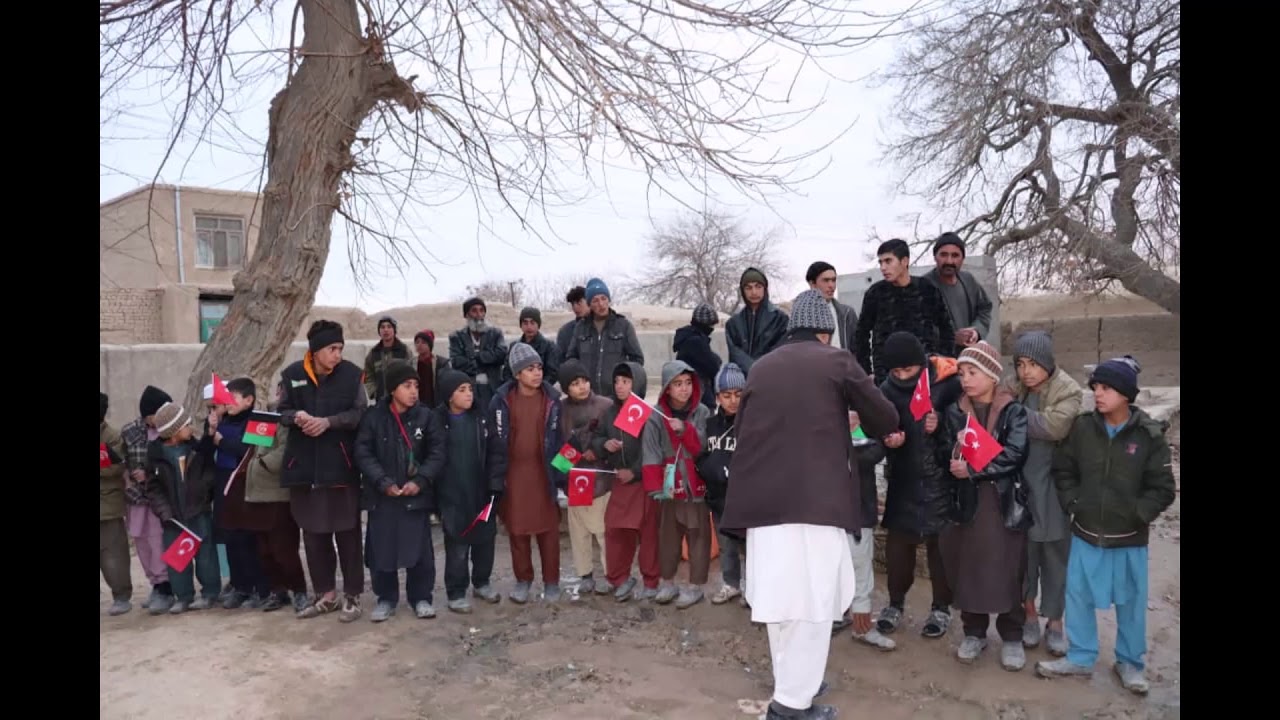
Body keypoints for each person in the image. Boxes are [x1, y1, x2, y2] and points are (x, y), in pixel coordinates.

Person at [720, 289, 900, 720]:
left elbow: (742, 431)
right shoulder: (836, 361)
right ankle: (791, 705)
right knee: (815, 603)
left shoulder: (760, 368)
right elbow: (886, 419)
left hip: (763, 507)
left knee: (781, 603)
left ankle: (793, 683)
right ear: (827, 330)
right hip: (817, 504)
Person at [1036, 356, 1176, 696]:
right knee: (1079, 596)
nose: (1098, 394)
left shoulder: (1148, 435)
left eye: (1107, 388)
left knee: (1130, 602)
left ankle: (1130, 663)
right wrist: (1074, 504)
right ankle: (1081, 656)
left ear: (1127, 394)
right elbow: (1063, 469)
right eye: (1096, 387)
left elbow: (1163, 488)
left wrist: (1137, 514)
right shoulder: (1083, 428)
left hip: (1129, 538)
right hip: (1084, 533)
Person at [935, 341, 1031, 670]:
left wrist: (975, 468)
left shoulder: (1013, 411)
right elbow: (944, 451)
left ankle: (1012, 635)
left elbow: (1015, 454)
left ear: (992, 376)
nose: (966, 379)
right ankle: (974, 632)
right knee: (969, 567)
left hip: (1003, 501)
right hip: (968, 503)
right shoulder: (955, 411)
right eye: (962, 372)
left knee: (1008, 569)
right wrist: (953, 457)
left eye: (973, 372)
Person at [279, 319, 369, 622]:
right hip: (304, 469)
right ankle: (326, 595)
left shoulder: (352, 376)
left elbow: (359, 414)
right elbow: (281, 412)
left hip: (341, 468)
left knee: (348, 535)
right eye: (332, 348)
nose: (337, 355)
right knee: (314, 535)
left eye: (340, 348)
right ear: (315, 350)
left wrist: (328, 422)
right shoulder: (292, 376)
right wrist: (297, 417)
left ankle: (352, 596)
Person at [874, 333, 962, 640]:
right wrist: (891, 439)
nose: (902, 377)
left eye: (908, 371)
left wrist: (940, 426)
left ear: (921, 364)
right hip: (903, 478)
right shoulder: (886, 390)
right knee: (899, 549)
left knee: (941, 551)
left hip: (940, 480)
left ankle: (941, 607)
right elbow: (879, 427)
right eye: (896, 372)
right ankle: (895, 603)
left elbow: (963, 424)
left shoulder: (946, 382)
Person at [1002, 331, 1083, 655]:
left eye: (1033, 364)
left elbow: (1054, 427)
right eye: (1021, 364)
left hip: (1053, 488)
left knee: (1055, 561)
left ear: (1047, 363)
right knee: (1025, 560)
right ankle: (1030, 616)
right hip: (1022, 489)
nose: (1026, 371)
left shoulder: (1068, 389)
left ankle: (1055, 623)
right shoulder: (1015, 386)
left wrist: (1014, 416)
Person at [355, 360, 448, 622]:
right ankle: (386, 598)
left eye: (416, 386)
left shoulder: (426, 417)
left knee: (420, 552)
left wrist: (420, 480)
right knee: (382, 550)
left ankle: (421, 598)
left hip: (414, 497)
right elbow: (363, 453)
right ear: (392, 389)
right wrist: (382, 482)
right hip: (382, 496)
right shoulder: (373, 418)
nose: (414, 391)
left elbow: (437, 453)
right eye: (407, 386)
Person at [490, 343, 566, 603]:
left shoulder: (553, 400)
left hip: (544, 473)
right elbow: (493, 442)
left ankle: (552, 581)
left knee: (549, 531)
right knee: (518, 530)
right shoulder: (501, 401)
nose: (537, 373)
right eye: (530, 369)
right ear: (517, 374)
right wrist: (495, 477)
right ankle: (523, 580)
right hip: (514, 475)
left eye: (539, 367)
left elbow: (565, 442)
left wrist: (562, 476)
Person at [644, 359, 714, 609]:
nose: (684, 389)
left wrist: (686, 430)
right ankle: (668, 582)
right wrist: (655, 487)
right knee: (668, 537)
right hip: (669, 485)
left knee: (699, 536)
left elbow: (704, 447)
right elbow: (650, 450)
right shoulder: (655, 417)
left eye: (687, 383)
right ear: (667, 389)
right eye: (677, 384)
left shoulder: (703, 413)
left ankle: (695, 586)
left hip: (695, 484)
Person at [434, 370, 504, 613]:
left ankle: (482, 583)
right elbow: (432, 459)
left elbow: (496, 452)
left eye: (470, 389)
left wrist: (495, 484)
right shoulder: (437, 421)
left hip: (482, 491)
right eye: (462, 390)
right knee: (457, 545)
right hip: (452, 495)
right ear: (448, 395)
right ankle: (456, 591)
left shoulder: (481, 417)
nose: (468, 395)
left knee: (485, 540)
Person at [593, 362, 661, 602]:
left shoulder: (648, 414)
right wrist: (604, 445)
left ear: (638, 383)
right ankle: (618, 578)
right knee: (614, 529)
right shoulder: (609, 412)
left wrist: (635, 472)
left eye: (626, 382)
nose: (620, 387)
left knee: (648, 533)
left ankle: (651, 581)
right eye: (617, 382)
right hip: (620, 481)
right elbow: (597, 436)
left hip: (643, 483)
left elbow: (653, 450)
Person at [146, 402, 222, 615]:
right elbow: (152, 487)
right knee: (178, 559)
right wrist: (164, 513)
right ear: (173, 432)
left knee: (206, 554)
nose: (191, 428)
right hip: (173, 518)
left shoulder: (196, 449)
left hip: (199, 511)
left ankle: (210, 592)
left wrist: (205, 492)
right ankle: (184, 596)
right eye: (186, 425)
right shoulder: (156, 456)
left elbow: (209, 473)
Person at [244, 383, 309, 613]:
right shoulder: (265, 418)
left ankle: (299, 590)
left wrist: (262, 464)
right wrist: (255, 463)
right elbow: (254, 448)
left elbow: (286, 451)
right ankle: (277, 590)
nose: (280, 396)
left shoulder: (290, 422)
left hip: (278, 495)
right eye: (279, 391)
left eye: (285, 392)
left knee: (284, 548)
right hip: (255, 493)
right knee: (264, 549)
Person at [855, 239, 956, 385]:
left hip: (924, 372)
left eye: (888, 261)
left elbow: (946, 328)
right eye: (881, 262)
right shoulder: (875, 293)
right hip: (887, 375)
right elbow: (861, 334)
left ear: (904, 261)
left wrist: (944, 362)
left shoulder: (926, 289)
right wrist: (866, 371)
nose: (883, 267)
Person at [210, 377, 271, 610]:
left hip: (249, 486)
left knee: (251, 539)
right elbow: (206, 450)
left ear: (249, 400)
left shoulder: (259, 421)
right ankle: (240, 586)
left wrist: (221, 441)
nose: (228, 402)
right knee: (232, 538)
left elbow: (252, 451)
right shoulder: (223, 421)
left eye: (232, 397)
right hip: (224, 485)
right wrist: (212, 431)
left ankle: (260, 588)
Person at [559, 359, 615, 595]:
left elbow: (614, 437)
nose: (581, 387)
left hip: (601, 479)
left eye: (584, 381)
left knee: (604, 531)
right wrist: (568, 464)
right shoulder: (560, 410)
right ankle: (585, 575)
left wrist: (599, 450)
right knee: (579, 532)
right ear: (566, 388)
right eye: (574, 384)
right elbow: (558, 445)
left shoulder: (605, 405)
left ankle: (611, 574)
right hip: (574, 479)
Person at [120, 385, 176, 612]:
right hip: (135, 498)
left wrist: (149, 474)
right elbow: (122, 460)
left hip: (158, 496)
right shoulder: (129, 432)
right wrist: (128, 477)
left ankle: (166, 587)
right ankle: (155, 583)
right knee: (142, 541)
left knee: (158, 541)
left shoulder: (168, 431)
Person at [696, 363, 745, 606]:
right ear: (717, 397)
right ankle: (731, 583)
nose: (733, 401)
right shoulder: (711, 425)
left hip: (746, 499)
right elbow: (701, 454)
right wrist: (711, 470)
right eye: (727, 396)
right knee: (726, 545)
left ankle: (752, 587)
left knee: (750, 547)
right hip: (718, 498)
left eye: (738, 395)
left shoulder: (751, 423)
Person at [564, 277, 645, 395]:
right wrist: (579, 380)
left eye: (603, 298)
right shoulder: (581, 328)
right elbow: (571, 358)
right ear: (589, 304)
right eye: (595, 300)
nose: (601, 304)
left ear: (609, 300)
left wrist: (623, 379)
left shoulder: (623, 326)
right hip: (589, 396)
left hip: (615, 395)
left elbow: (637, 359)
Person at [922, 233, 994, 355]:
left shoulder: (968, 280)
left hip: (969, 358)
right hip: (939, 362)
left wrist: (975, 331)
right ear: (935, 257)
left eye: (955, 255)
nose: (949, 261)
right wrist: (951, 337)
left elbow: (985, 309)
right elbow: (918, 326)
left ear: (962, 259)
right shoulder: (923, 286)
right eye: (944, 255)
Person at [100, 392, 133, 616]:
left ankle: (121, 596)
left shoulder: (111, 437)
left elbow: (118, 467)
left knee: (113, 554)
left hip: (106, 504)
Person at [724, 267, 789, 376]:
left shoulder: (780, 319)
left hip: (770, 377)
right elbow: (735, 353)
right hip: (742, 381)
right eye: (748, 288)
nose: (754, 292)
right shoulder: (734, 323)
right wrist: (752, 369)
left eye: (758, 287)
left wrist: (758, 370)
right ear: (743, 291)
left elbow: (779, 351)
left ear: (765, 288)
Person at [449, 297, 509, 412]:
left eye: (482, 310)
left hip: (492, 388)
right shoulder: (456, 337)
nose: (479, 314)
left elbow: (501, 355)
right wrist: (488, 360)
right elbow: (456, 362)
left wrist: (477, 357)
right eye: (474, 310)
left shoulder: (495, 333)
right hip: (469, 389)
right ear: (466, 315)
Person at [672, 302, 723, 411]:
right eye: (711, 325)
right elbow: (713, 366)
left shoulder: (687, 338)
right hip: (700, 396)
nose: (712, 328)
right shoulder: (695, 341)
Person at [804, 261, 858, 354]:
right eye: (826, 280)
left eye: (833, 280)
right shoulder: (801, 315)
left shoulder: (847, 313)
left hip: (842, 366)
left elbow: (857, 348)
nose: (831, 285)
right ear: (812, 284)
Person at [506, 307, 560, 387]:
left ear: (538, 325)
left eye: (532, 323)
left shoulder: (549, 346)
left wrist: (538, 389)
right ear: (521, 325)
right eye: (525, 323)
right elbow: (507, 371)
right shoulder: (514, 346)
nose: (529, 327)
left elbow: (552, 374)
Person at [363, 315, 413, 401]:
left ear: (394, 330)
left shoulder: (404, 351)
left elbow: (411, 374)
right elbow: (368, 376)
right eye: (382, 327)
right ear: (379, 331)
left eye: (389, 327)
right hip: (381, 401)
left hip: (401, 400)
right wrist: (373, 392)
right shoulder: (374, 353)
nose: (386, 330)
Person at [412, 329, 451, 409]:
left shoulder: (441, 363)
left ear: (430, 345)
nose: (419, 345)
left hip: (436, 404)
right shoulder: (411, 364)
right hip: (417, 405)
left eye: (423, 342)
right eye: (417, 342)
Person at [556, 285, 590, 360]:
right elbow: (560, 361)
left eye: (579, 302)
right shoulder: (565, 332)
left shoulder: (601, 326)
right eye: (572, 304)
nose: (575, 307)